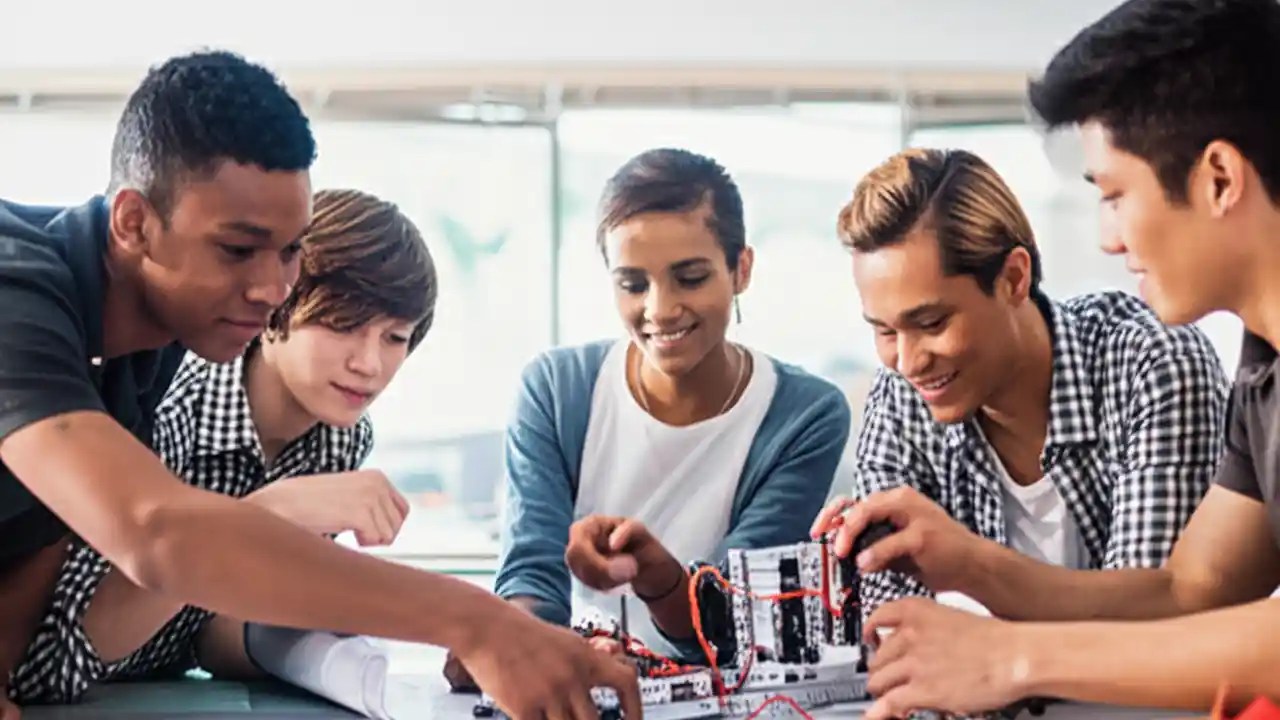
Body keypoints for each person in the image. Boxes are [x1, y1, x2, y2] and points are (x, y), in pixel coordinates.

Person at [0, 50, 638, 720]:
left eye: (290, 251)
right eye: (236, 249)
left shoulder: (138, 352)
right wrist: (477, 621)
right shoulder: (19, 292)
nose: (274, 290)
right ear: (134, 223)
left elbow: (33, 574)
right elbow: (154, 530)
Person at [812, 0, 1280, 717]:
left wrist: (1010, 657)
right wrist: (970, 565)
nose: (1108, 240)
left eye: (1116, 196)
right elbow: (1193, 592)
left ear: (1218, 178)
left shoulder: (1153, 355)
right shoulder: (1263, 367)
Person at [445, 148, 851, 688]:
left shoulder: (805, 416)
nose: (659, 309)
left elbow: (730, 616)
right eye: (633, 284)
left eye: (690, 278)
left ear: (741, 269)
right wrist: (509, 642)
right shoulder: (555, 389)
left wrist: (654, 576)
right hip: (581, 685)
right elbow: (530, 576)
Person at [7, 188, 433, 702]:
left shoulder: (339, 438)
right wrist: (266, 515)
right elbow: (47, 663)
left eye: (395, 338)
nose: (369, 364)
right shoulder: (169, 405)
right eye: (342, 325)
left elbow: (208, 633)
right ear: (276, 309)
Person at [812, 147, 1227, 625]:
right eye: (884, 331)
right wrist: (852, 566)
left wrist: (971, 570)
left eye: (931, 322)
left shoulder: (1152, 364)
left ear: (1013, 278)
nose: (907, 361)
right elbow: (896, 625)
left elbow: (1150, 621)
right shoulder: (902, 397)